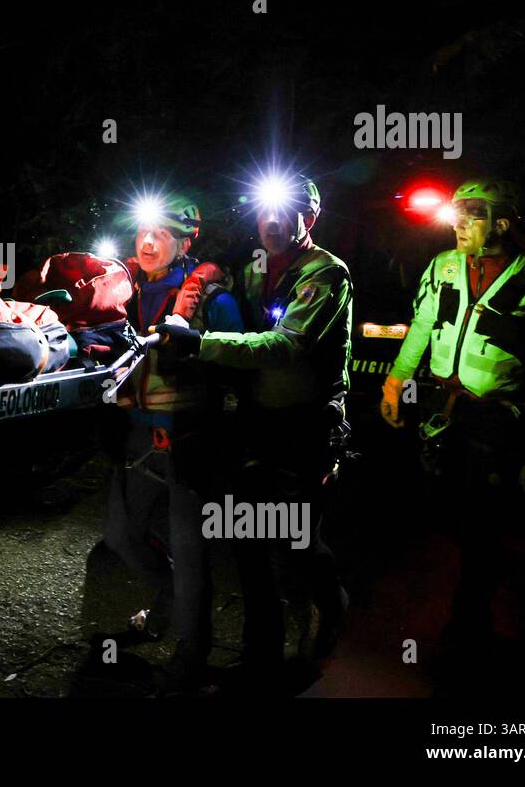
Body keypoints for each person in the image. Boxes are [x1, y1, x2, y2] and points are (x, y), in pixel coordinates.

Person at [378, 178, 525, 678]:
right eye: (455, 212)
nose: (457, 222)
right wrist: (395, 382)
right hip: (444, 411)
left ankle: (469, 626)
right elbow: (422, 325)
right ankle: (483, 588)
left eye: (472, 214)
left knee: (483, 523)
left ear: (502, 222)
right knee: (454, 512)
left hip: (499, 420)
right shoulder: (444, 267)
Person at [153, 174, 352, 682]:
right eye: (267, 213)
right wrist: (201, 281)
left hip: (307, 425)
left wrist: (200, 342)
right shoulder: (252, 266)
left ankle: (329, 611)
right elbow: (212, 279)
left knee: (298, 541)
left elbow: (287, 346)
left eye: (288, 214)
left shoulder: (326, 274)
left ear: (310, 218)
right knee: (247, 540)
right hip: (256, 422)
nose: (274, 223)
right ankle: (261, 651)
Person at [102, 193, 245, 690]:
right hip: (137, 434)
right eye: (143, 231)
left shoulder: (212, 299)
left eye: (161, 233)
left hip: (189, 439)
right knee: (120, 534)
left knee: (191, 554)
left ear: (186, 240)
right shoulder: (124, 292)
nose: (146, 241)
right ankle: (165, 597)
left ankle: (192, 652)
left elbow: (237, 365)